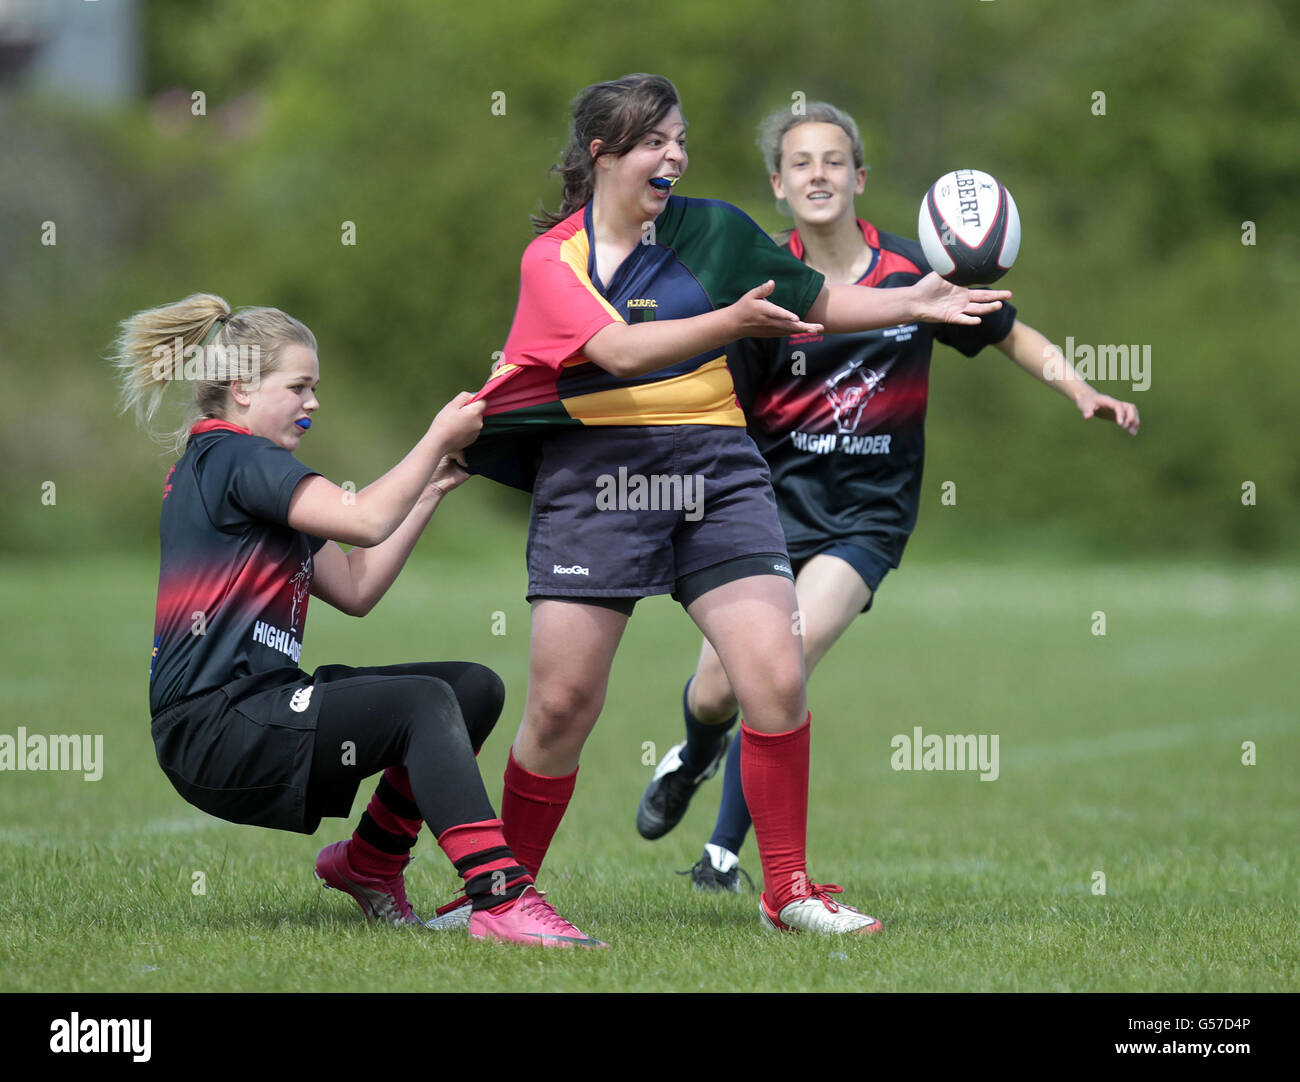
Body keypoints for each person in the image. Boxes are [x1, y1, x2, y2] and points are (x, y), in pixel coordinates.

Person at [457, 74, 1012, 936]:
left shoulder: (714, 230)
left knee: (775, 673)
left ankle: (786, 890)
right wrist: (732, 323)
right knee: (563, 704)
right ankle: (502, 896)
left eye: (679, 139)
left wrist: (912, 299)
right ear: (602, 153)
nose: (673, 154)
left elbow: (817, 303)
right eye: (654, 141)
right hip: (600, 478)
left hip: (717, 468)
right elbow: (620, 351)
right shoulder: (551, 259)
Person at [633, 102, 1141, 891]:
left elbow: (1011, 333)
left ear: (860, 177)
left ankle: (723, 856)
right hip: (763, 508)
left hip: (865, 518)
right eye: (801, 163)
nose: (819, 175)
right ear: (778, 184)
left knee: (785, 664)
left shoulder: (916, 272)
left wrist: (1081, 388)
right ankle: (696, 756)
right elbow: (716, 397)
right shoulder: (762, 283)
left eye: (834, 161)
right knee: (715, 690)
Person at [116, 293, 602, 948]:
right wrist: (434, 438)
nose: (313, 403)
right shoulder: (237, 457)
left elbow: (356, 585)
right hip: (218, 725)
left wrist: (430, 488)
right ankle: (501, 899)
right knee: (422, 704)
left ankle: (370, 863)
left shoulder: (240, 471)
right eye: (299, 387)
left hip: (246, 711)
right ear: (241, 388)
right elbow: (365, 518)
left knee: (469, 688)